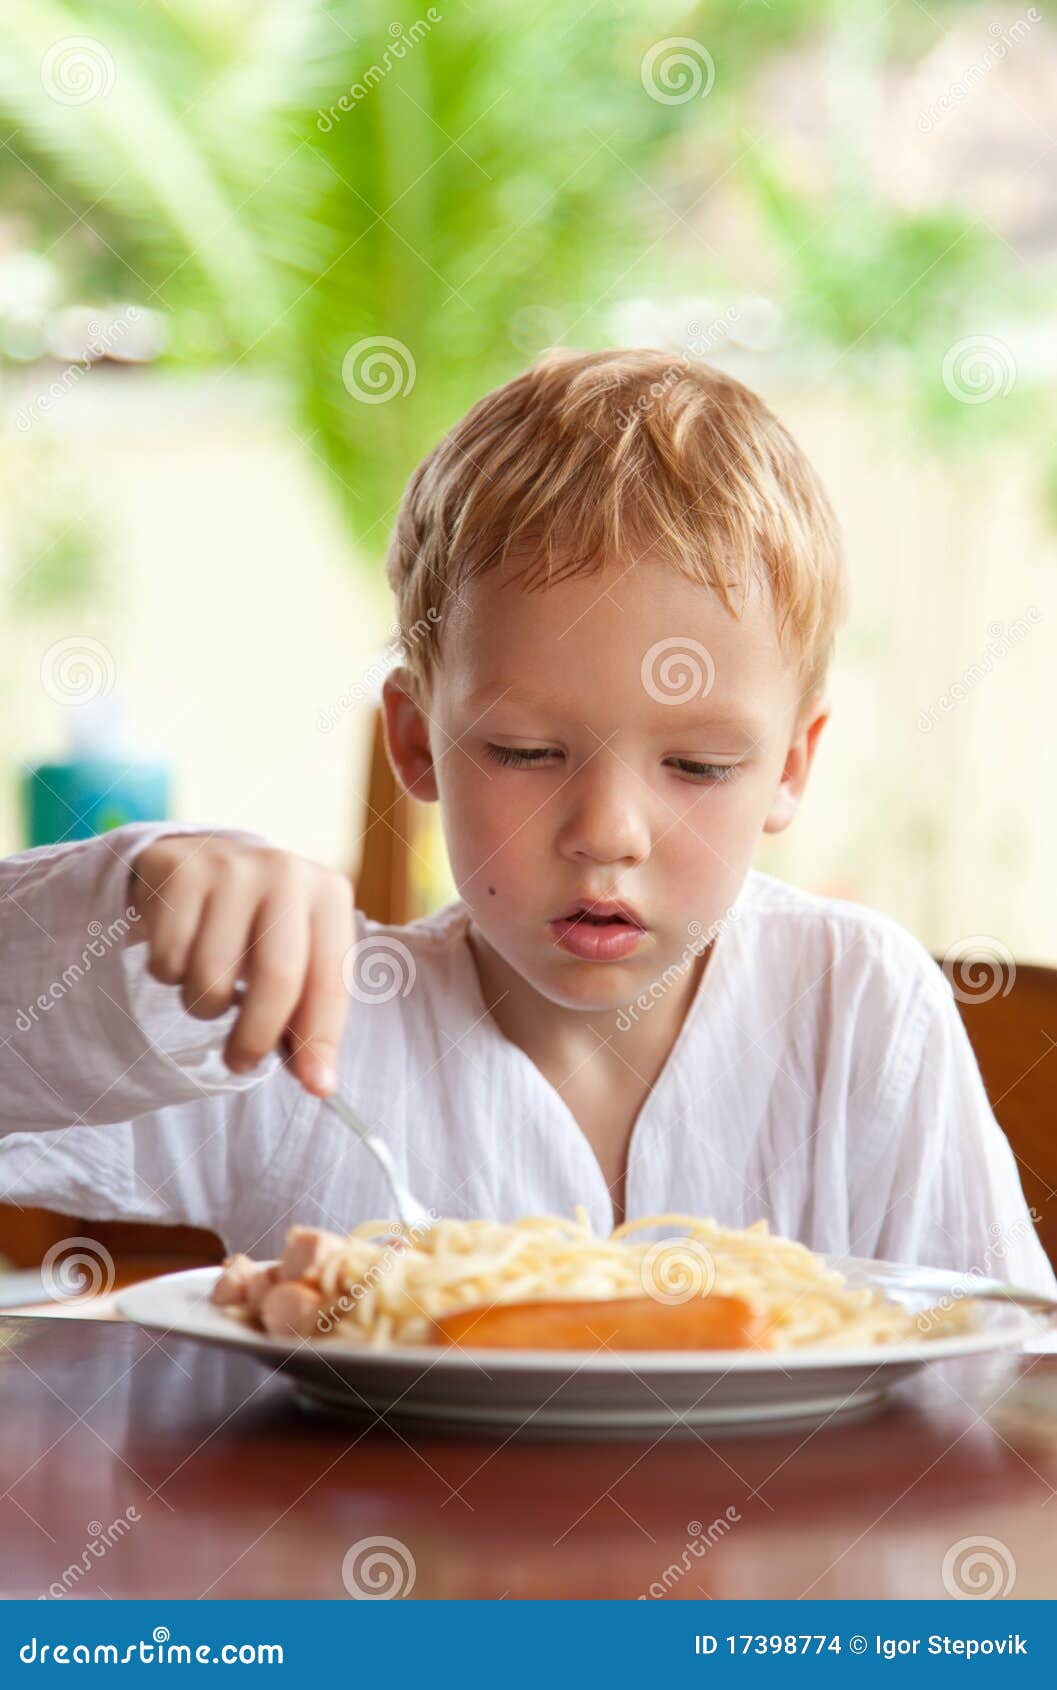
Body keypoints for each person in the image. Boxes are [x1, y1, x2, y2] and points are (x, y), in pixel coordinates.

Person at [1, 350, 1052, 1293]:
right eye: (525, 752)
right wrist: (135, 909)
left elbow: (998, 1376)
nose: (606, 831)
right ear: (417, 742)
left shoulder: (856, 1003)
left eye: (697, 763)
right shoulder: (309, 1029)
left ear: (789, 768)